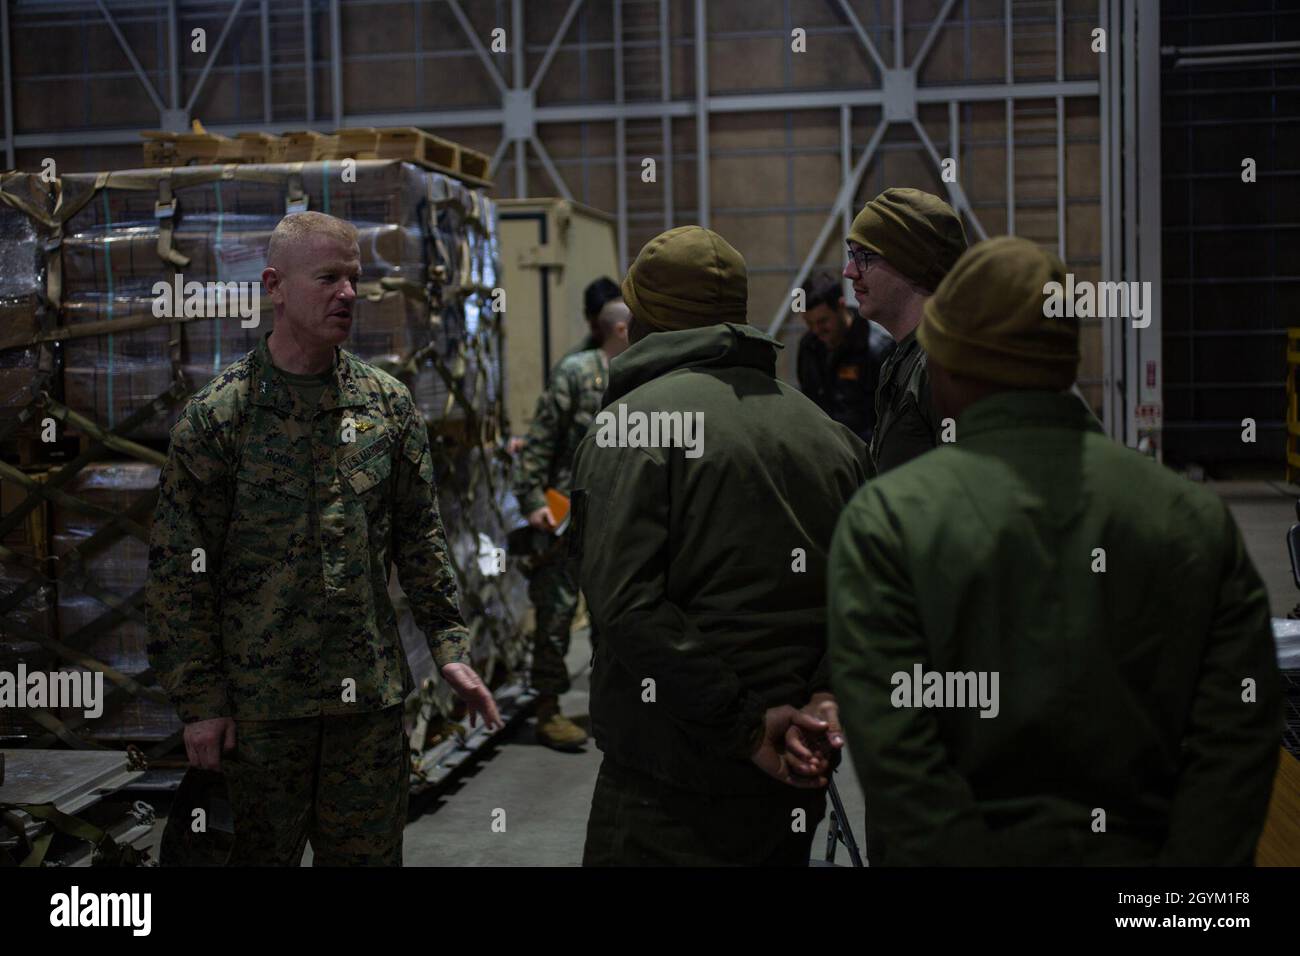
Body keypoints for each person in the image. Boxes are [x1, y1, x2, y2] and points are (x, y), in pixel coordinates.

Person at [822, 236, 1283, 865]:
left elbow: (897, 755)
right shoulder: (1191, 517)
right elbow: (1238, 735)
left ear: (948, 364)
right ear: (1068, 358)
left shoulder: (886, 525)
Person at [146, 211, 501, 866]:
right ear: (275, 286)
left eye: (355, 279)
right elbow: (179, 575)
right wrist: (200, 702)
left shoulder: (386, 407)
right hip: (259, 719)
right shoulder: (220, 417)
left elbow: (420, 540)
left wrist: (449, 646)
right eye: (329, 277)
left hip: (364, 709)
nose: (347, 294)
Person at [570, 225, 872, 866]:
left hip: (669, 792)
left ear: (647, 317)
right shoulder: (829, 436)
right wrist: (822, 699)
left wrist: (744, 727)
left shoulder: (633, 427)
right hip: (791, 779)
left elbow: (626, 607)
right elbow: (863, 597)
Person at [513, 297, 631, 750]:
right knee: (556, 612)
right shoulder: (576, 373)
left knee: (613, 615)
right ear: (619, 330)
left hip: (614, 516)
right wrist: (531, 500)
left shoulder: (636, 376)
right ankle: (547, 710)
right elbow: (540, 441)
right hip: (566, 515)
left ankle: (612, 706)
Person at [843, 187, 967, 473]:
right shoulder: (904, 360)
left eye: (866, 257)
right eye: (852, 255)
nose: (849, 271)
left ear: (913, 264)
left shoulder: (947, 364)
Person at [795, 270, 893, 444]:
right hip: (825, 449)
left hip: (866, 457)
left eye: (823, 321)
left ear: (840, 305)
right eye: (809, 323)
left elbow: (890, 419)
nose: (816, 330)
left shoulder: (877, 349)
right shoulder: (809, 346)